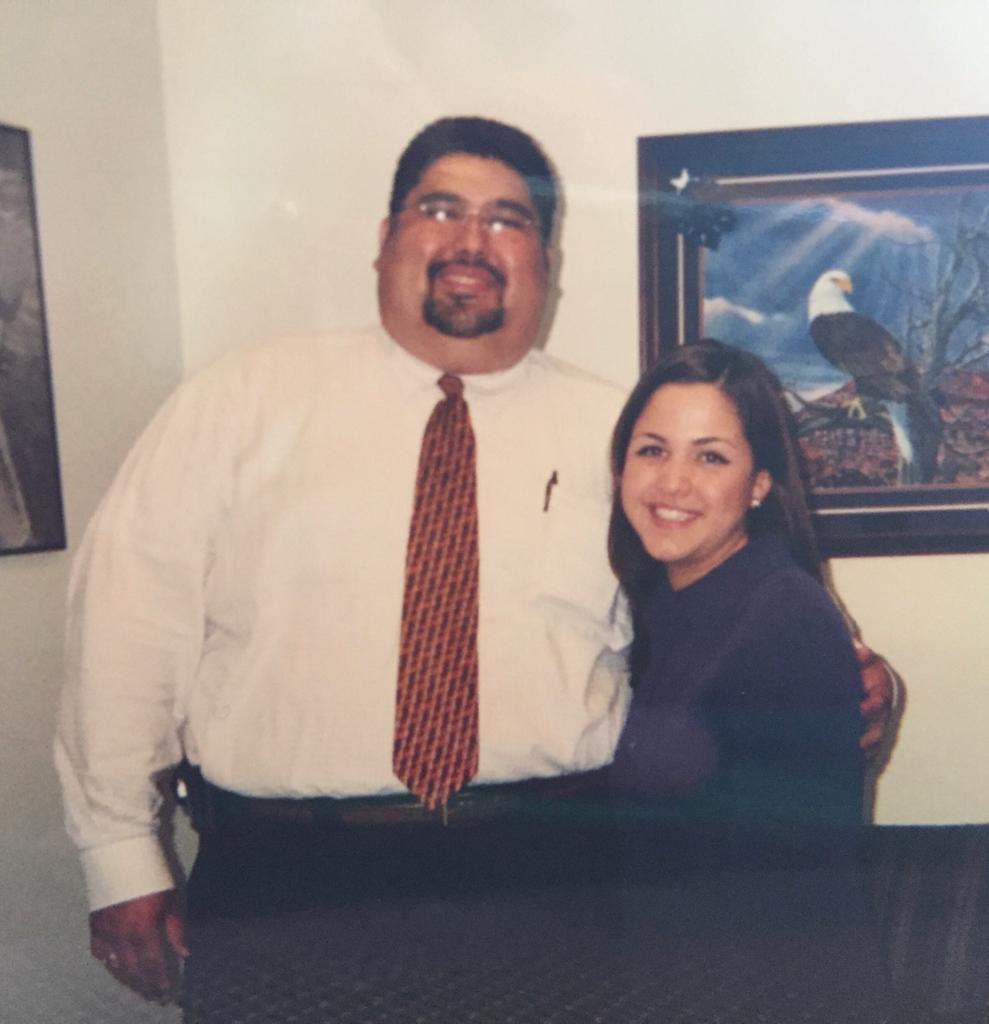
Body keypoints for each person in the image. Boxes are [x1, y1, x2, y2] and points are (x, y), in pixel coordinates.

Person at [55, 118, 894, 1015]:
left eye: (507, 220)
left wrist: (855, 675)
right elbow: (128, 620)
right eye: (439, 208)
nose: (470, 240)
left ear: (548, 260)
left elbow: (717, 600)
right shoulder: (240, 401)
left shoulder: (625, 437)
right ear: (384, 240)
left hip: (551, 882)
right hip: (286, 882)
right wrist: (119, 856)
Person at [606, 338, 886, 1019]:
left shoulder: (778, 617)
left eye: (710, 456)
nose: (671, 482)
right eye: (651, 449)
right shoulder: (670, 601)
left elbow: (783, 893)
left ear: (759, 483)